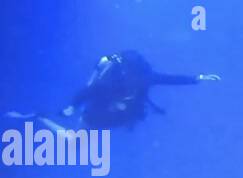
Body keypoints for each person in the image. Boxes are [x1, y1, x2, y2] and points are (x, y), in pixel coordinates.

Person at [6, 50, 220, 130]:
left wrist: (197, 78)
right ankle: (40, 116)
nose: (134, 80)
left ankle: (43, 117)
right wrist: (72, 107)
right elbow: (87, 91)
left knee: (130, 116)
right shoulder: (111, 82)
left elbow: (169, 79)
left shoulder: (146, 78)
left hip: (120, 112)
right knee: (74, 142)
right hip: (100, 109)